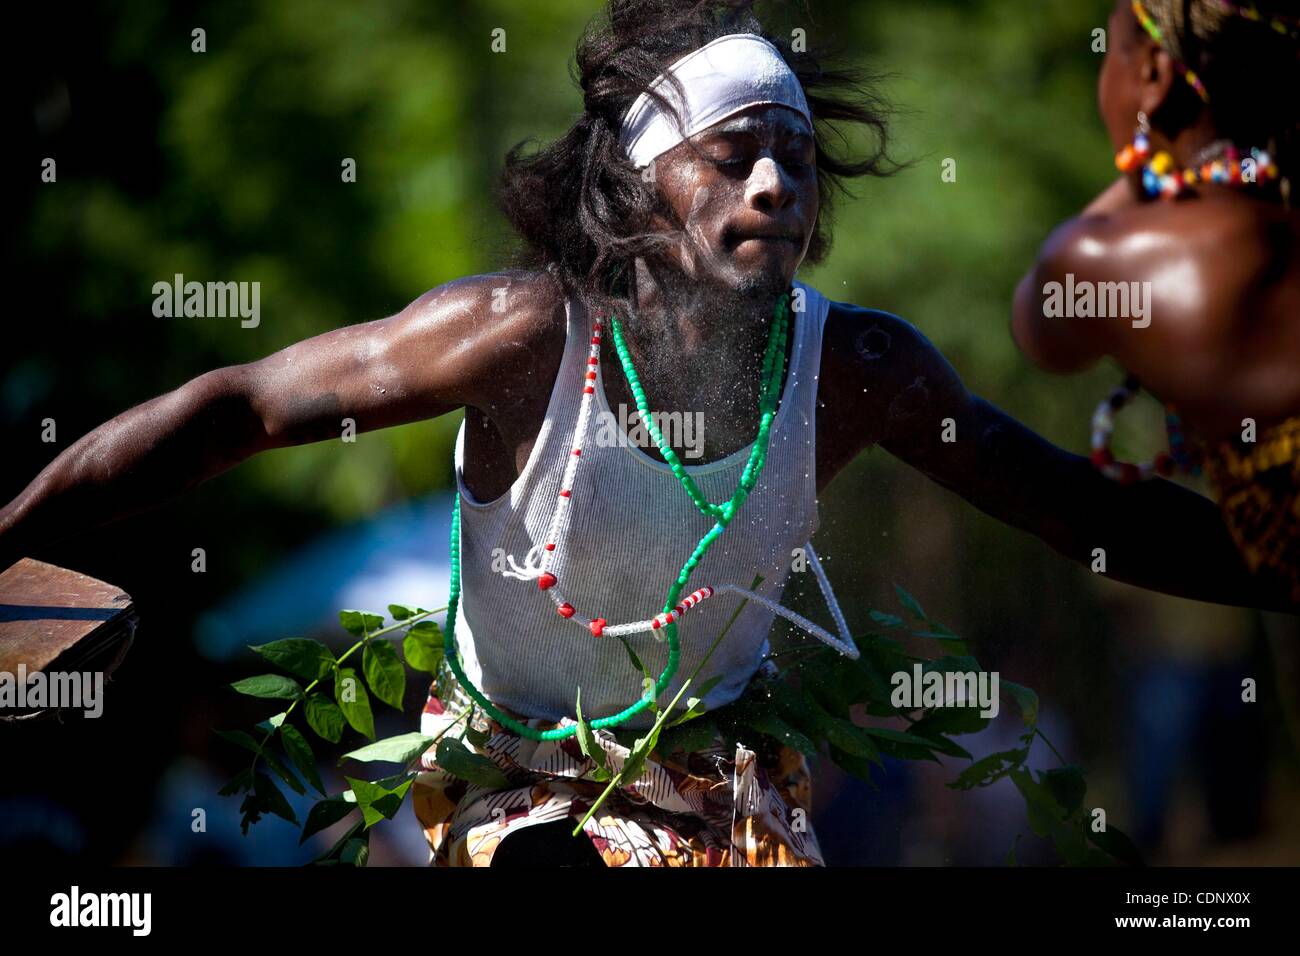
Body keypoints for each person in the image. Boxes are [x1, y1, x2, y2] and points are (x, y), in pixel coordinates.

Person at [0, 0, 1286, 867]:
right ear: (638, 180)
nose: (775, 186)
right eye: (732, 158)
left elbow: (1081, 510)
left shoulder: (860, 367)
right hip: (513, 790)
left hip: (731, 794)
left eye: (793, 160)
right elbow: (240, 406)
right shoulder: (513, 337)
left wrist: (1276, 554)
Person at [1012, 0, 1300, 607]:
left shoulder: (1118, 262)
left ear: (1153, 72)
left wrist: (1148, 160)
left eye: (1110, 55)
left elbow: (1037, 324)